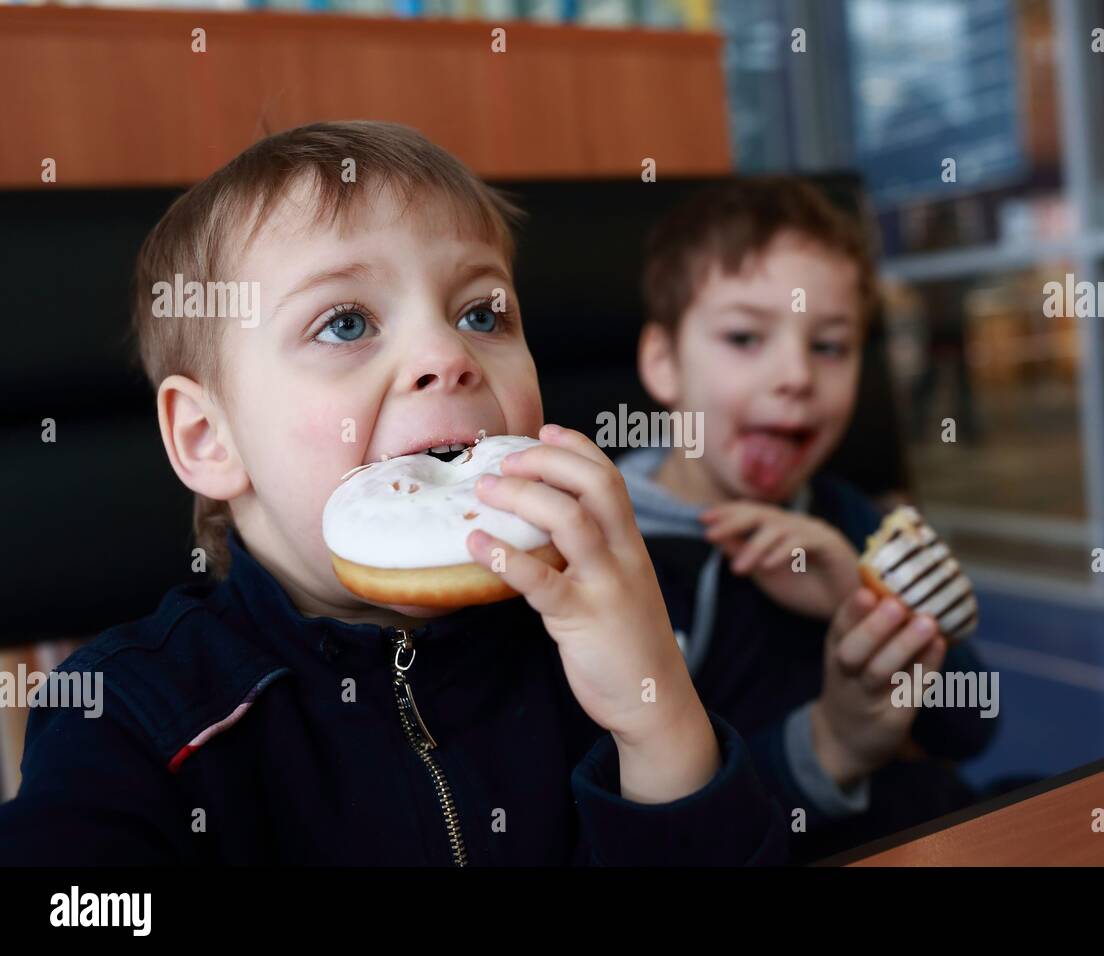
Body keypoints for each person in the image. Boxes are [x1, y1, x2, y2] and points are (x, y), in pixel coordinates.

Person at [0, 122, 786, 866]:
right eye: (345, 323)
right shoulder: (128, 713)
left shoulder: (596, 637)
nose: (447, 355)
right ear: (210, 439)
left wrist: (656, 718)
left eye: (482, 313)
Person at [619, 178, 998, 863]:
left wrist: (856, 598)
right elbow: (657, 833)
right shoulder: (610, 559)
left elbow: (972, 726)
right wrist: (832, 744)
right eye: (744, 336)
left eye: (829, 346)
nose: (795, 375)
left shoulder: (847, 515)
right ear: (662, 362)